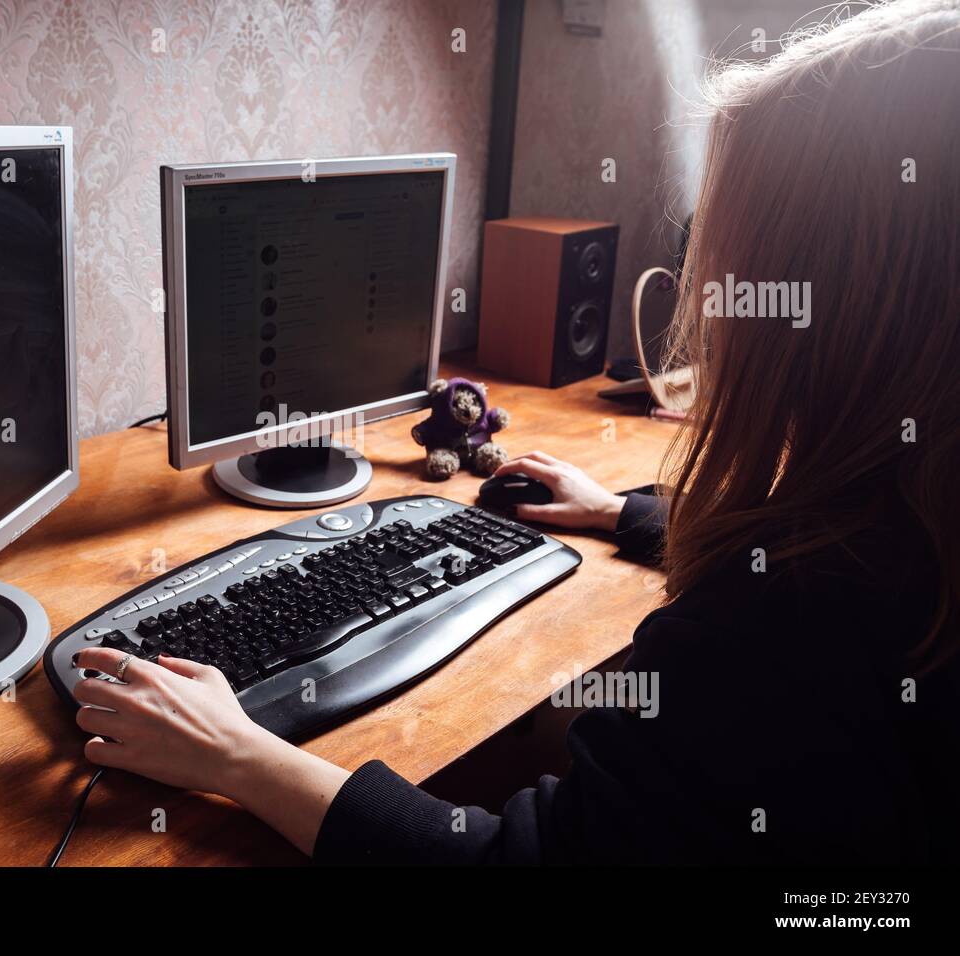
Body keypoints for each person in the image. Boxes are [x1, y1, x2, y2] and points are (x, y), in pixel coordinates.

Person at [72, 0, 960, 864]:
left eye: (717, 245)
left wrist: (239, 754)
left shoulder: (773, 632)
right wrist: (623, 512)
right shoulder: (909, 547)